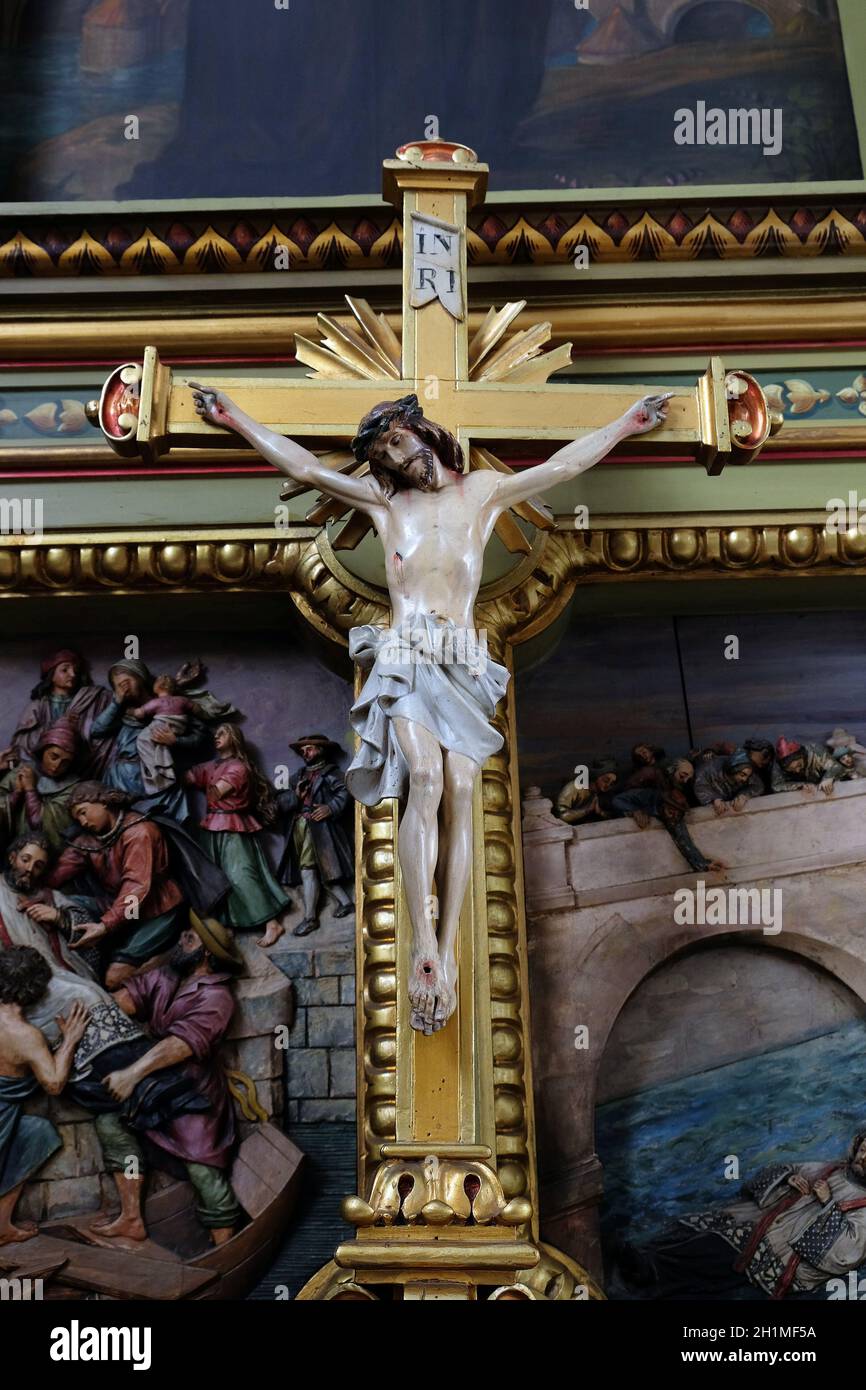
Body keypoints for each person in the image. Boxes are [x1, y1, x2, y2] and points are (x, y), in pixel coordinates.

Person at [190, 380, 671, 1032]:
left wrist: (624, 422)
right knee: (426, 777)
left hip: (464, 662)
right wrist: (234, 418)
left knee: (465, 788)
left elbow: (562, 465)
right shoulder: (389, 509)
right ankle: (422, 940)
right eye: (384, 455)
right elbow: (303, 466)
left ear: (423, 432)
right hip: (409, 653)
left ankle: (446, 953)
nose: (396, 457)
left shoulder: (482, 493)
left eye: (398, 440)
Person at [90, 917, 244, 1245]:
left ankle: (227, 1243)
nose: (181, 941)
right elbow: (126, 1001)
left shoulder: (218, 998)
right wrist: (92, 1015)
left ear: (205, 953)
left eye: (189, 938)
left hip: (194, 1094)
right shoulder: (167, 976)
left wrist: (131, 1073)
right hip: (155, 1086)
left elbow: (180, 1045)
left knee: (202, 1167)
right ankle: (131, 1217)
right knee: (111, 1124)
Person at [615, 1130, 866, 1300]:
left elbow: (846, 1254)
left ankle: (649, 1270)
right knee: (692, 1227)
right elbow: (781, 1169)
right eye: (864, 1150)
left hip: (784, 1252)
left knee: (714, 1245)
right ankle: (644, 1258)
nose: (863, 1158)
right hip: (763, 1221)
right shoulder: (832, 1168)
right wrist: (788, 1179)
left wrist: (828, 1203)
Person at [49, 783, 186, 988]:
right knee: (61, 903)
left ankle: (167, 958)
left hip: (155, 910)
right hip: (124, 910)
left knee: (113, 979)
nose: (83, 822)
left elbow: (136, 888)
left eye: (84, 813)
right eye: (78, 818)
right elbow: (58, 874)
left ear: (103, 802)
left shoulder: (139, 832)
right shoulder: (90, 840)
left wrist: (106, 925)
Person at [0, 947, 89, 1246]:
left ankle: (1, 1225)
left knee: (37, 1133)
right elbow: (53, 1084)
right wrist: (70, 1042)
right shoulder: (26, 1035)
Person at [185, 724, 289, 948]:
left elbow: (216, 791)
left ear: (234, 737)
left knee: (242, 875)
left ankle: (272, 923)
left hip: (233, 825)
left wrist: (201, 777)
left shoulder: (239, 767)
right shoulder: (213, 765)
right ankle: (228, 922)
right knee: (218, 878)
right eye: (216, 733)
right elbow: (186, 778)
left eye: (222, 733)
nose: (216, 736)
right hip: (212, 826)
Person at [276, 733, 354, 937]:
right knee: (321, 871)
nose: (305, 754)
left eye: (309, 749)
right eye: (303, 751)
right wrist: (295, 796)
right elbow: (279, 802)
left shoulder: (331, 773)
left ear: (321, 750)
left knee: (308, 869)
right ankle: (346, 902)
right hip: (299, 826)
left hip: (320, 830)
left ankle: (310, 918)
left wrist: (330, 807)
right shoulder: (298, 776)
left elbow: (345, 792)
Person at [3, 650, 109, 766]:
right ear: (51, 675)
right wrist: (57, 725)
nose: (72, 674)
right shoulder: (38, 706)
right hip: (45, 763)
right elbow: (23, 743)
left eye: (75, 670)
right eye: (65, 670)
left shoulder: (87, 699)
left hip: (76, 761)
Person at [0, 718, 82, 854]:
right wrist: (16, 794)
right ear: (43, 749)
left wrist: (30, 790)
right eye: (54, 757)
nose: (57, 766)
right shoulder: (23, 771)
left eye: (65, 762)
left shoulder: (72, 788)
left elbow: (41, 824)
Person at [130, 675, 198, 795]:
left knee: (142, 739)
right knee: (159, 746)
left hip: (161, 725)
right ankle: (163, 769)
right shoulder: (181, 700)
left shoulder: (157, 702)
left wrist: (130, 711)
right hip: (178, 727)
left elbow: (140, 713)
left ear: (158, 686)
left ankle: (159, 772)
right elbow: (196, 708)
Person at [694, 747, 764, 815]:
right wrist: (714, 798)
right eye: (742, 775)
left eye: (747, 776)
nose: (745, 779)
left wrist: (744, 795)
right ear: (734, 769)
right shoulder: (708, 769)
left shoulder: (746, 770)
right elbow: (699, 785)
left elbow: (758, 785)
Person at [554, 758, 618, 825]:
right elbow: (561, 816)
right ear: (596, 775)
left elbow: (613, 816)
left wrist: (600, 812)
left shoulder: (605, 794)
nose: (608, 785)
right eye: (606, 780)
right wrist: (586, 810)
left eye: (612, 783)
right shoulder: (573, 788)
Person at [772, 737, 845, 795]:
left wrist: (828, 777)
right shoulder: (778, 765)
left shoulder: (815, 750)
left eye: (799, 765)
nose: (797, 770)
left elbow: (836, 766)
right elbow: (776, 786)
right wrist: (800, 785)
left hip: (821, 786)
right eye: (791, 769)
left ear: (802, 756)